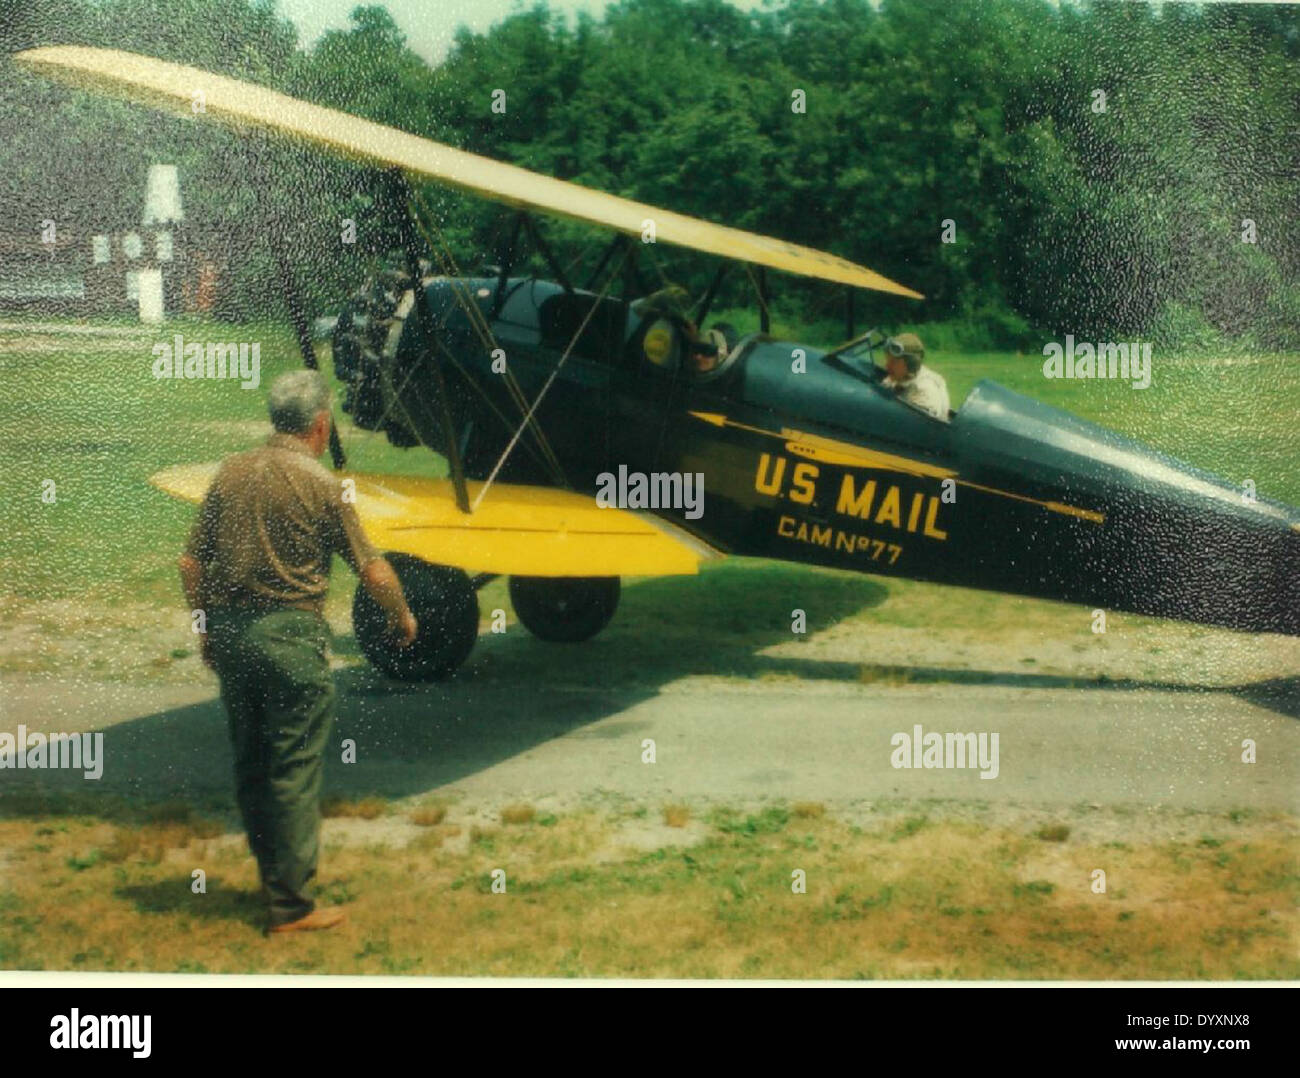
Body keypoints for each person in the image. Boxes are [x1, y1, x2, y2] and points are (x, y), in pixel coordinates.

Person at [178, 370, 418, 935]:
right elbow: (374, 568)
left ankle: (273, 884)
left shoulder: (230, 472)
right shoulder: (321, 484)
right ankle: (291, 906)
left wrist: (208, 629)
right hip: (291, 640)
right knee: (292, 768)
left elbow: (191, 563)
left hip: (233, 637)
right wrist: (401, 615)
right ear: (319, 425)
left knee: (252, 765)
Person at [881, 332, 950, 420]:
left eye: (894, 362)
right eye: (888, 360)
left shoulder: (925, 390)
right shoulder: (903, 377)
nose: (887, 366)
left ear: (910, 363)